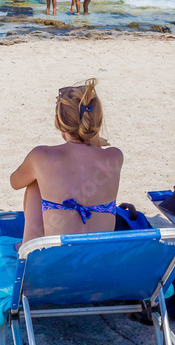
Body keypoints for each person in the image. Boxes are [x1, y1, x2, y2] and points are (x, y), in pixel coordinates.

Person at [10, 79, 124, 245]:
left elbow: (15, 182)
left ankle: (26, 245)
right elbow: (88, 155)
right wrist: (95, 141)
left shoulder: (41, 156)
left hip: (53, 265)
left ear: (58, 121)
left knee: (34, 181)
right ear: (97, 121)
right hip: (98, 261)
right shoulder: (115, 157)